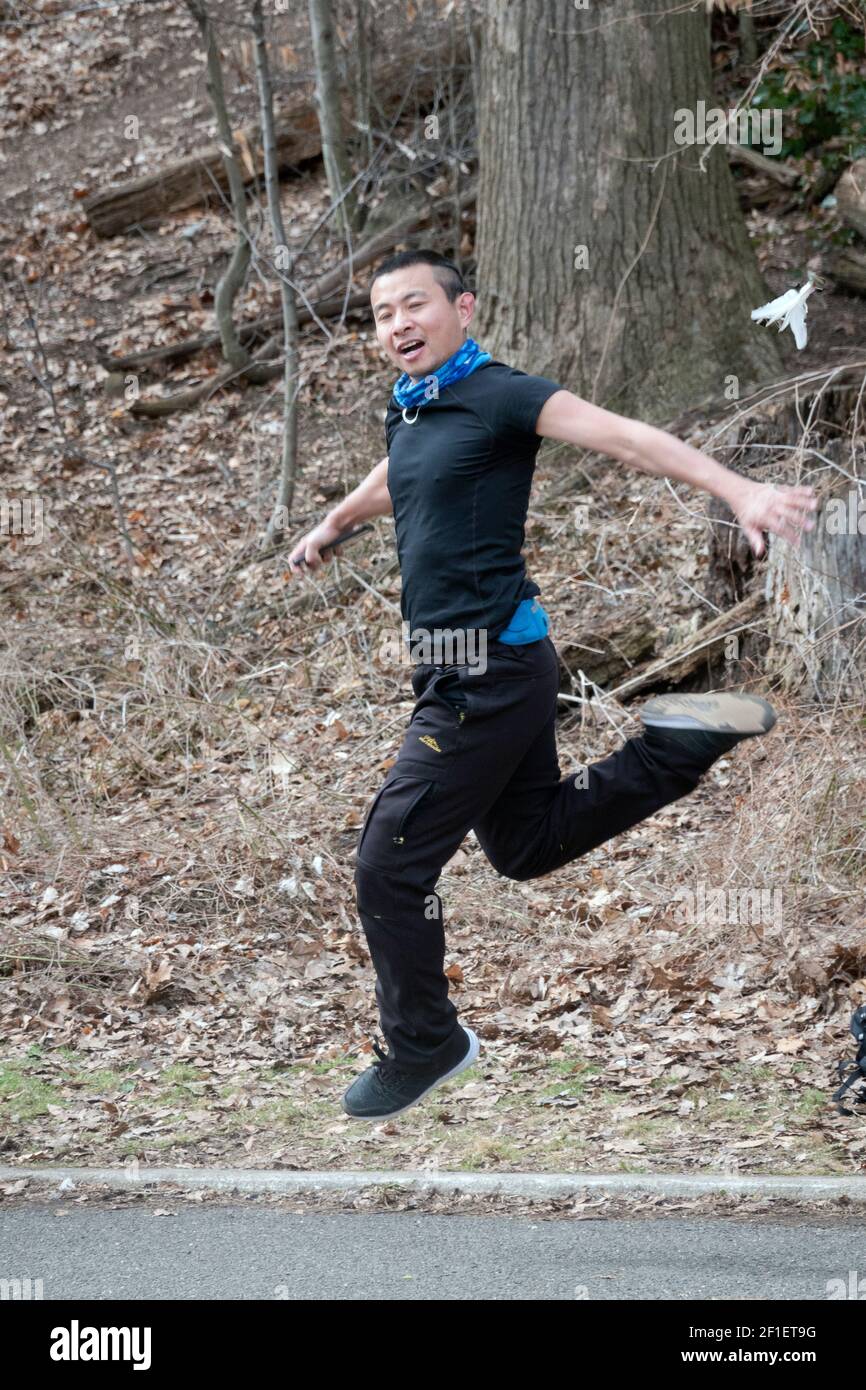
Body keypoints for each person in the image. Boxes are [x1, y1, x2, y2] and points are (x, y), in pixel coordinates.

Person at [288, 249, 817, 1122]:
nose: (397, 325)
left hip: (480, 670)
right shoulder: (415, 406)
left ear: (463, 308)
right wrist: (336, 523)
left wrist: (738, 490)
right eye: (382, 315)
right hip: (490, 663)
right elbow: (404, 477)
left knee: (388, 865)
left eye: (414, 305)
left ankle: (427, 1044)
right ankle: (678, 742)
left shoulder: (501, 393)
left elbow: (626, 438)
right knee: (525, 844)